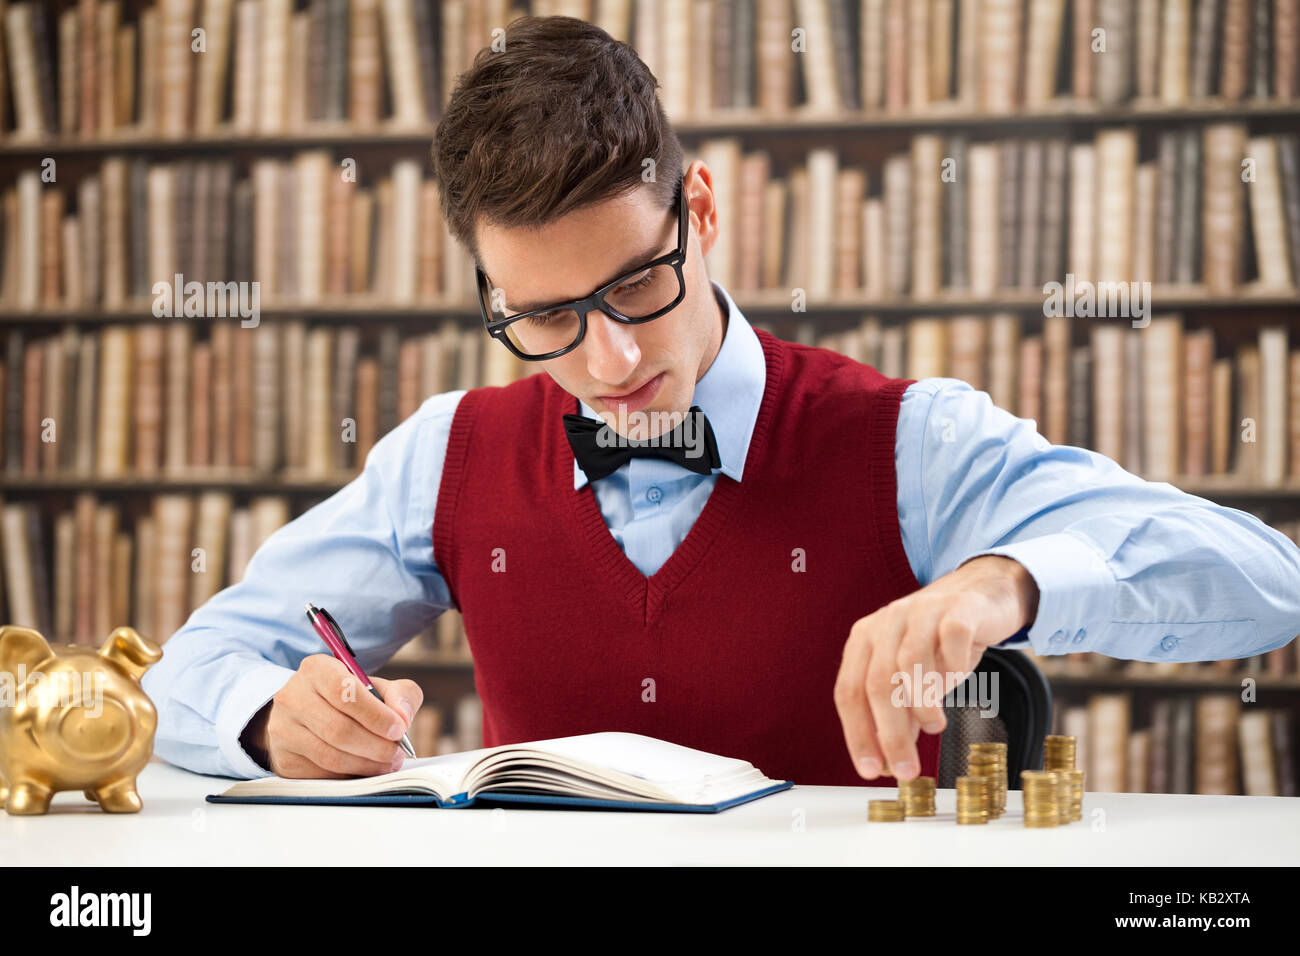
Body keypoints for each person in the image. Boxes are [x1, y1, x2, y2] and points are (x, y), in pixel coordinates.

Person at [143, 16, 1300, 786]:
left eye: (635, 285)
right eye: (542, 318)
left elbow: (1267, 583)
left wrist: (1011, 576)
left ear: (698, 209)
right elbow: (190, 665)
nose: (602, 363)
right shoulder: (445, 452)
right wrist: (266, 718)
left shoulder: (910, 439)